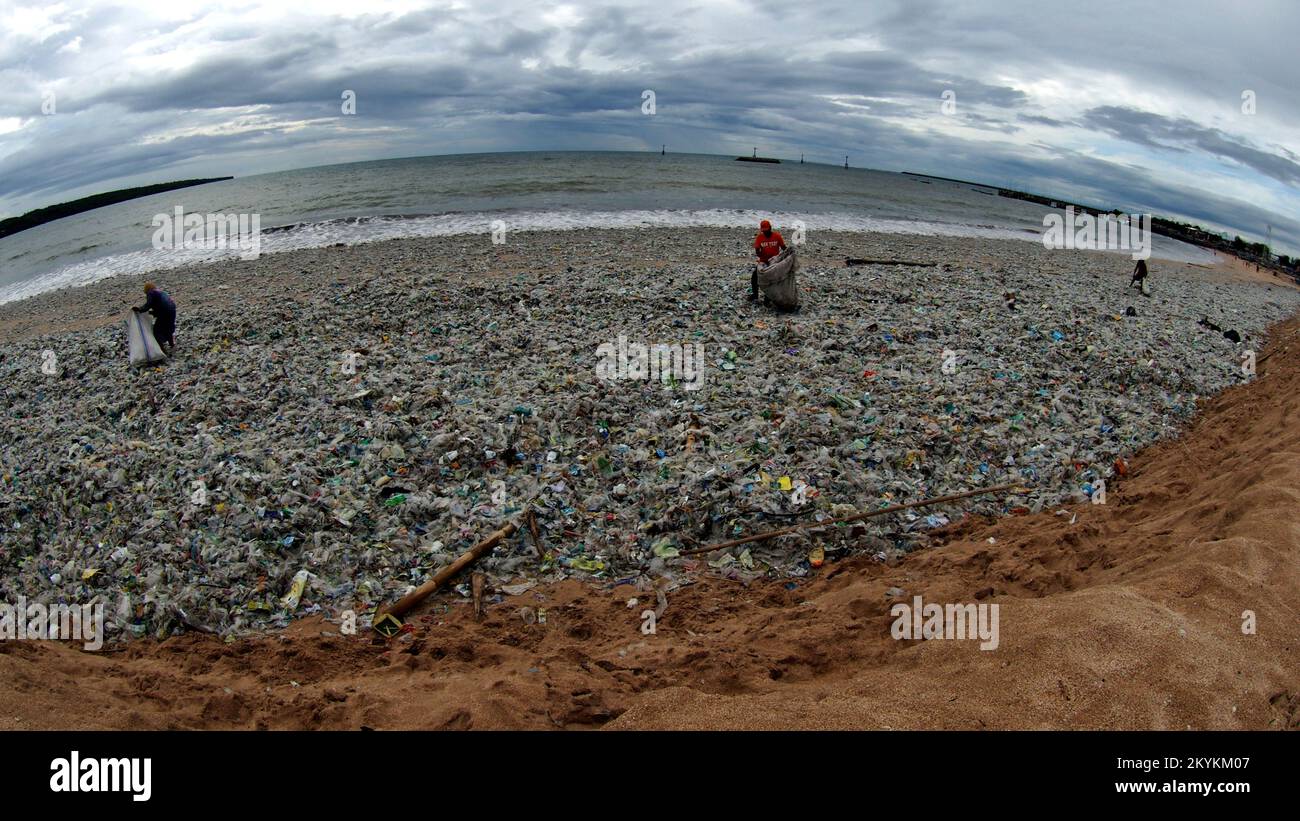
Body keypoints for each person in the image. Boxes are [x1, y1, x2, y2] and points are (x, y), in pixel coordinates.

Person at [133, 282, 176, 354]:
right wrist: (151, 313)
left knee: (156, 331)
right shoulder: (160, 292)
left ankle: (162, 351)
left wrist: (140, 309)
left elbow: (148, 304)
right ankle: (172, 344)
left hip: (165, 312)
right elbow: (159, 307)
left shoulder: (151, 293)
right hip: (172, 310)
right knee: (168, 327)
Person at [751, 219, 786, 300]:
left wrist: (789, 254)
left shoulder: (777, 236)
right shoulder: (760, 237)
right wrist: (758, 252)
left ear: (770, 228)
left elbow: (784, 248)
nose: (765, 233)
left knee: (771, 280)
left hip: (774, 262)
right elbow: (757, 250)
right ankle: (755, 295)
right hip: (763, 261)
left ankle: (768, 299)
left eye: (766, 230)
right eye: (764, 231)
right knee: (754, 277)